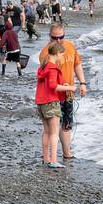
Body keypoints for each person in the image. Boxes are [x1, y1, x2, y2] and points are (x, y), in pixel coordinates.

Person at [38, 22, 88, 162]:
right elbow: (47, 78)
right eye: (55, 38)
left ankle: (67, 153)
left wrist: (82, 83)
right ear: (50, 36)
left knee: (66, 124)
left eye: (61, 37)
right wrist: (64, 85)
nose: (59, 41)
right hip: (52, 96)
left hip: (67, 95)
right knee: (51, 129)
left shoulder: (70, 47)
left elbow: (77, 65)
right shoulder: (46, 53)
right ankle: (48, 158)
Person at [35, 41, 78, 170]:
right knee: (54, 133)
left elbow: (49, 84)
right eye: (62, 55)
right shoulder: (53, 68)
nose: (62, 58)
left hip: (41, 102)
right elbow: (53, 86)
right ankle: (53, 160)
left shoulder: (43, 67)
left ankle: (46, 158)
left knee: (46, 132)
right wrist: (70, 87)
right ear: (57, 53)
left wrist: (62, 85)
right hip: (51, 102)